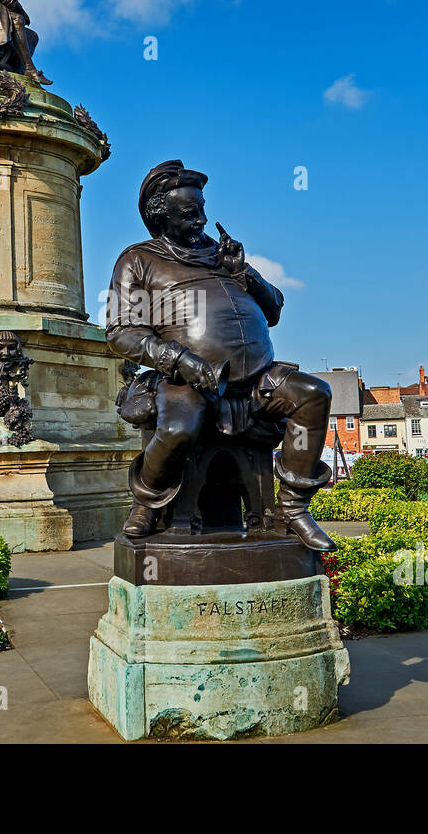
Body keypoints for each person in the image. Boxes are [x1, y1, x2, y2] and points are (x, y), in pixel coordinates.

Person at [106, 160, 335, 551]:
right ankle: (146, 501)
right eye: (190, 214)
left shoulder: (221, 255)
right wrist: (180, 360)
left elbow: (275, 309)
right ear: (160, 215)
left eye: (203, 210)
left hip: (259, 379)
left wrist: (245, 272)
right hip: (190, 379)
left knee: (315, 392)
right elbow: (120, 332)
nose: (202, 220)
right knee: (178, 430)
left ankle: (294, 508)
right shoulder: (139, 260)